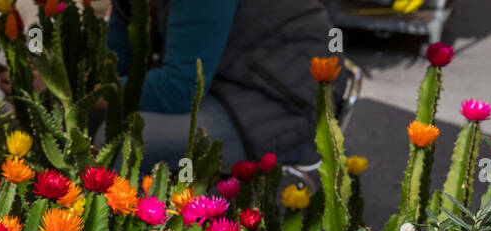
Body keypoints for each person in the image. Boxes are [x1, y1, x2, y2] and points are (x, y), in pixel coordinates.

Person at [98, 0, 339, 168]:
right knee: (85, 117)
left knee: (125, 140)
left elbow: (179, 90)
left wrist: (95, 95)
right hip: (225, 78)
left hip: (280, 101)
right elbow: (117, 60)